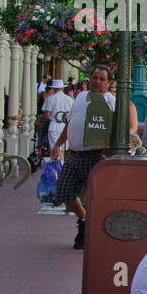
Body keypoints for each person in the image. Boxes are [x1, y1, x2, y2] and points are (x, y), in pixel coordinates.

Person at [49, 64, 116, 249]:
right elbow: (70, 123)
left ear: (108, 83)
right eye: (95, 77)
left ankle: (94, 231)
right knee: (65, 192)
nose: (97, 82)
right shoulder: (79, 97)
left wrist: (107, 153)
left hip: (95, 156)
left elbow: (117, 129)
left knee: (97, 197)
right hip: (74, 154)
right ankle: (85, 219)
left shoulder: (110, 101)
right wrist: (57, 145)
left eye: (102, 79)